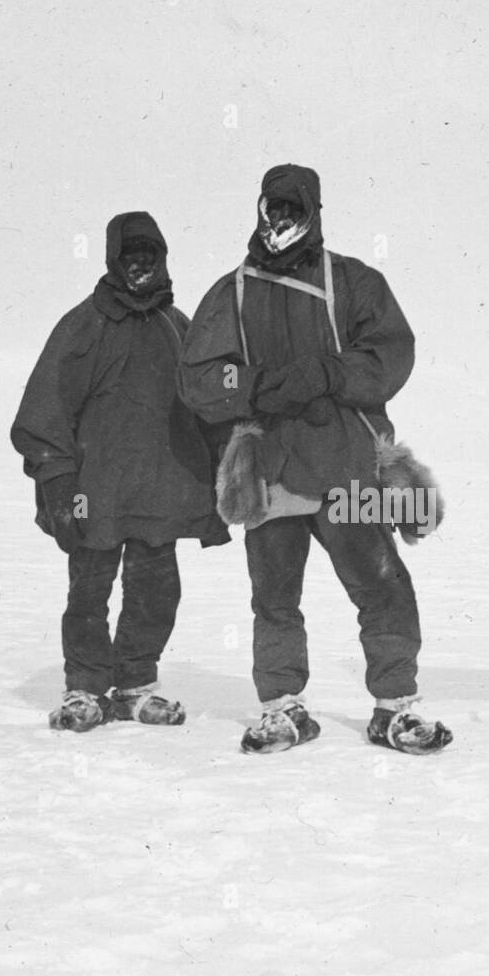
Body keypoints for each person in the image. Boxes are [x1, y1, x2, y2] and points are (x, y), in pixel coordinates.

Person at [178, 163, 452, 755]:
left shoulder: (354, 282)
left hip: (347, 467)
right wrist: (256, 387)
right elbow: (200, 378)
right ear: (258, 209)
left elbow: (390, 356)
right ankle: (281, 709)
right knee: (274, 599)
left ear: (313, 212)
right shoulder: (232, 292)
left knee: (382, 588)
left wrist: (328, 374)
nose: (279, 219)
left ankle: (396, 708)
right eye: (270, 207)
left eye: (291, 208)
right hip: (270, 472)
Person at [12, 211, 229, 732]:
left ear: (161, 260)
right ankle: (84, 688)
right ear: (113, 260)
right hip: (95, 493)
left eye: (148, 256)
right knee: (89, 590)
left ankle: (136, 682)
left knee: (156, 591)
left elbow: (210, 410)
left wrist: (226, 470)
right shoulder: (83, 325)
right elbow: (45, 408)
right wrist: (58, 484)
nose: (139, 265)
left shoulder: (179, 328)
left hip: (162, 490)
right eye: (129, 256)